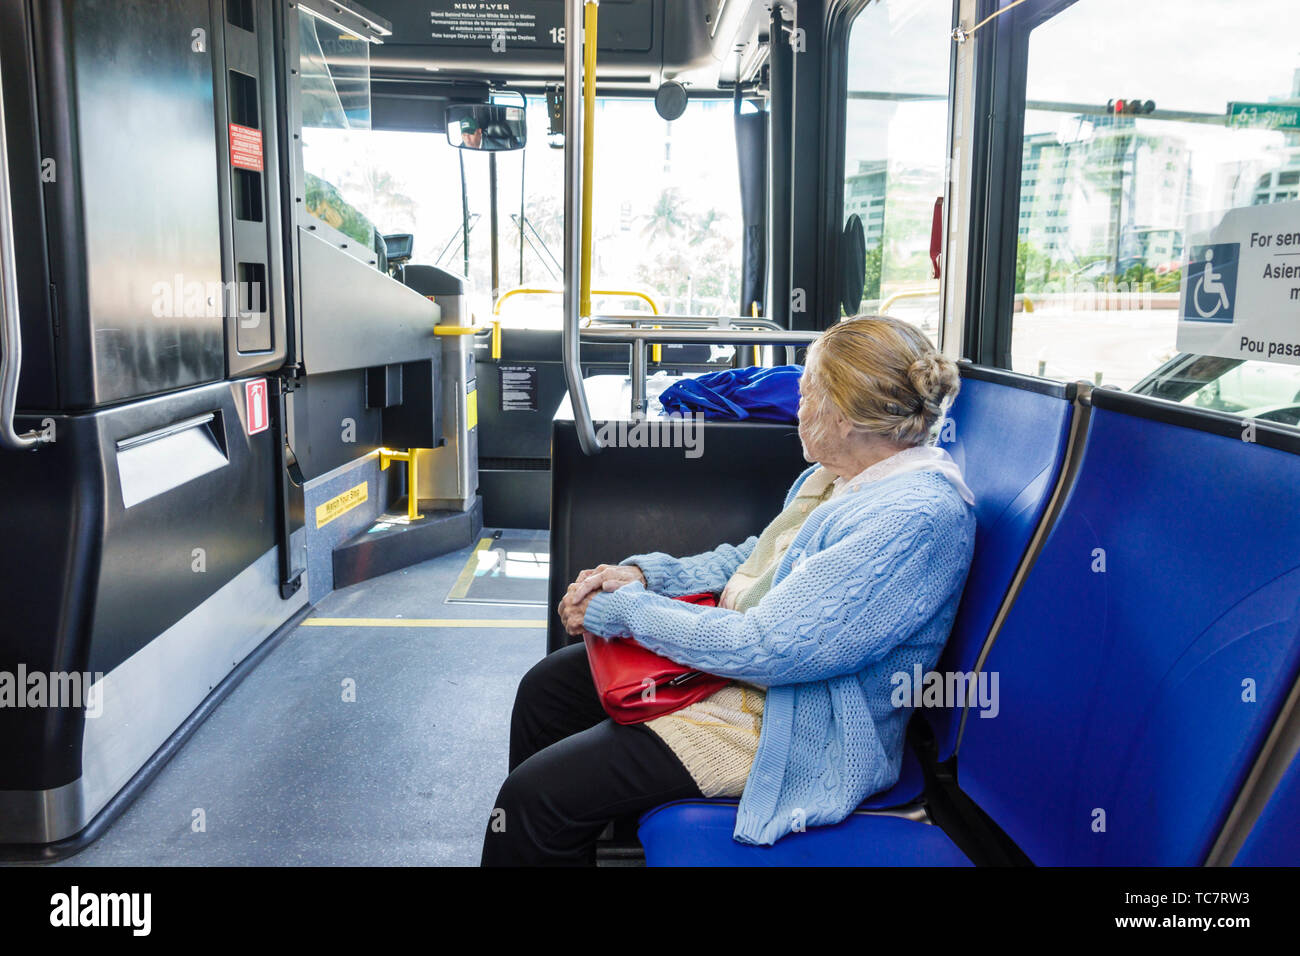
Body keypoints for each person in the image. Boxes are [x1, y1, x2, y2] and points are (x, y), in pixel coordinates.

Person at [480, 315, 976, 866]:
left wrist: (627, 612)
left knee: (534, 802)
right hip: (749, 683)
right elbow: (755, 560)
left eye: (808, 393)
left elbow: (770, 649)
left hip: (794, 727)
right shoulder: (840, 478)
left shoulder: (913, 519)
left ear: (849, 415)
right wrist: (647, 578)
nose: (798, 408)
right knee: (547, 690)